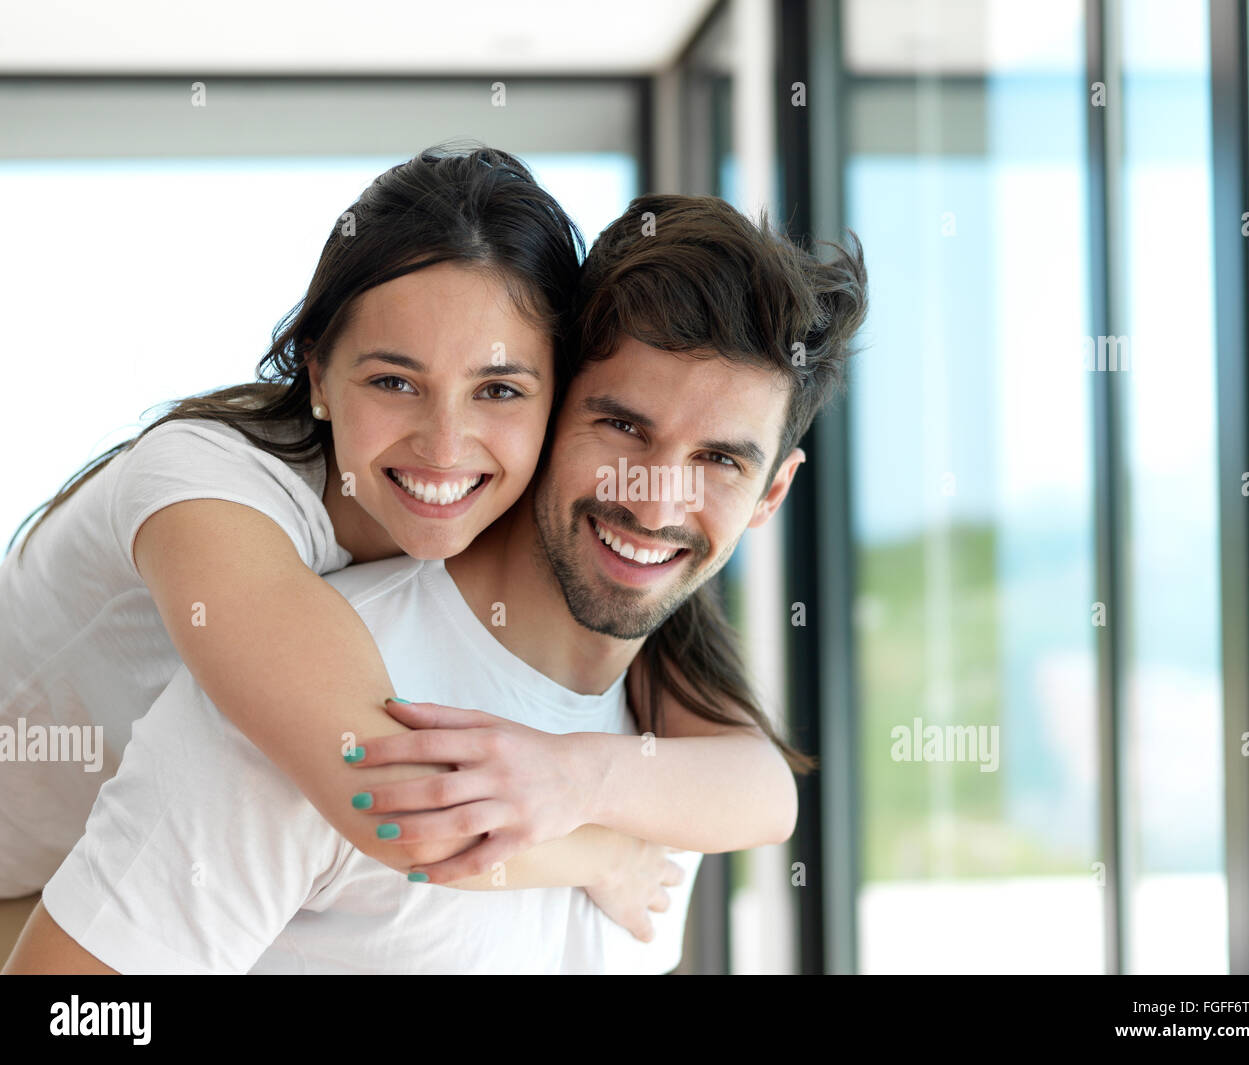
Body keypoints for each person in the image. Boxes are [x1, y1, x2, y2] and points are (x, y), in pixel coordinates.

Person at [3, 192, 867, 974]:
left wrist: (589, 789)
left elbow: (767, 791)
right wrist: (599, 848)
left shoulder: (667, 769)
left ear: (772, 493)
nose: (656, 499)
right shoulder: (292, 678)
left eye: (719, 458)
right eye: (621, 426)